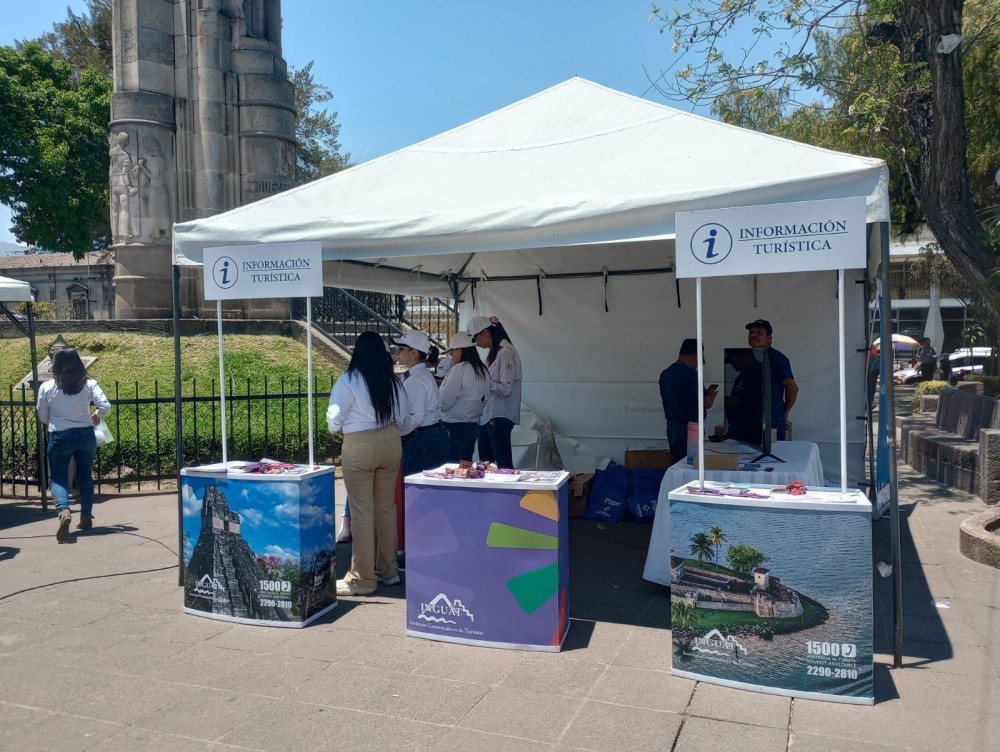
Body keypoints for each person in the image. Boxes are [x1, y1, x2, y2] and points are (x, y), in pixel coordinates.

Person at [326, 331, 406, 596]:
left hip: (360, 444)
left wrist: (337, 426)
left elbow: (334, 419)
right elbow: (403, 416)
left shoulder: (348, 379)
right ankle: (389, 570)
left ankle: (362, 578)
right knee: (386, 507)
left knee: (362, 511)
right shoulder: (392, 380)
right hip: (390, 441)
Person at [35, 348, 111, 542]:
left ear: (56, 367)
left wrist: (54, 421)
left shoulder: (47, 387)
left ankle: (64, 512)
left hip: (60, 435)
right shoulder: (89, 384)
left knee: (59, 477)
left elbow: (42, 415)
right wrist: (96, 414)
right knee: (85, 476)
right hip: (86, 434)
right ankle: (86, 516)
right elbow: (105, 406)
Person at [468, 315, 522, 469]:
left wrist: (485, 381)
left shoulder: (506, 352)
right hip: (488, 415)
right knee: (486, 466)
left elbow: (506, 389)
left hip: (499, 415)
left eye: (475, 337)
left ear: (485, 332)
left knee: (503, 464)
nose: (476, 343)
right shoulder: (494, 353)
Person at [392, 330, 449, 476]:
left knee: (414, 486)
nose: (397, 352)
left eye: (401, 348)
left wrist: (398, 433)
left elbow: (416, 417)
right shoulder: (420, 375)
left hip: (422, 438)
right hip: (426, 436)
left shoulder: (416, 379)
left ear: (414, 353)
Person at [659, 338, 718, 464]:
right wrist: (711, 396)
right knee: (691, 465)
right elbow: (706, 403)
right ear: (695, 356)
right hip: (691, 429)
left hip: (672, 426)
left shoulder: (665, 373)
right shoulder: (691, 375)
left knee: (676, 463)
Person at [439, 331, 490, 461]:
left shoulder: (458, 369)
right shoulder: (483, 369)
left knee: (450, 471)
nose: (451, 356)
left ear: (459, 350)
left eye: (452, 352)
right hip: (472, 426)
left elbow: (444, 403)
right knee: (465, 469)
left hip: (453, 428)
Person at [745, 319, 798, 441]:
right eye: (751, 332)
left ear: (769, 339)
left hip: (772, 418)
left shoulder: (777, 359)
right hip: (750, 416)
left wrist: (783, 414)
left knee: (772, 455)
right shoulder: (748, 358)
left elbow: (793, 389)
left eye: (759, 333)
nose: (754, 335)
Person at [867, 345, 881, 410]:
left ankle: (869, 404)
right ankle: (870, 403)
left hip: (869, 373)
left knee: (869, 389)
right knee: (871, 389)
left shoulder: (870, 348)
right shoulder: (876, 357)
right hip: (873, 373)